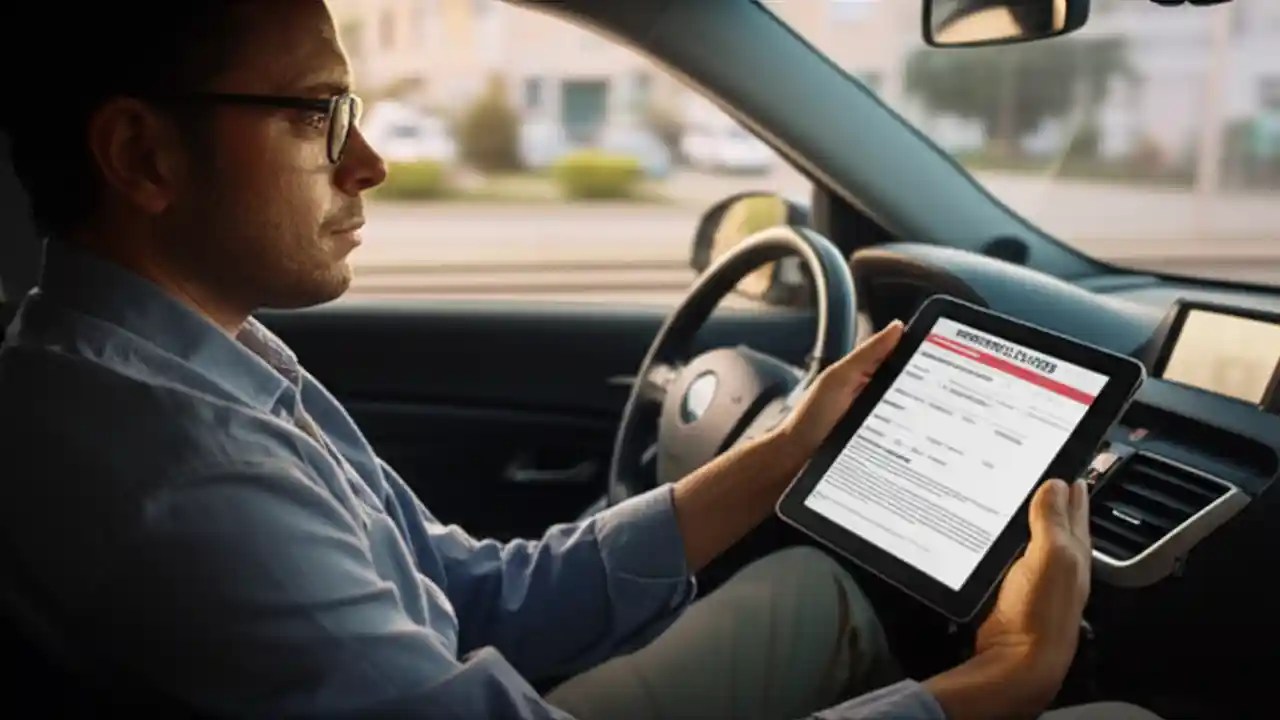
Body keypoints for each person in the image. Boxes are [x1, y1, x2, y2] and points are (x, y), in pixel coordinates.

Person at [0, 2, 1164, 718]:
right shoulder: (173, 475)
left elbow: (466, 596)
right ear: (141, 155)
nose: (368, 162)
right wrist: (998, 680)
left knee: (813, 591)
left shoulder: (197, 357)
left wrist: (777, 454)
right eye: (315, 114)